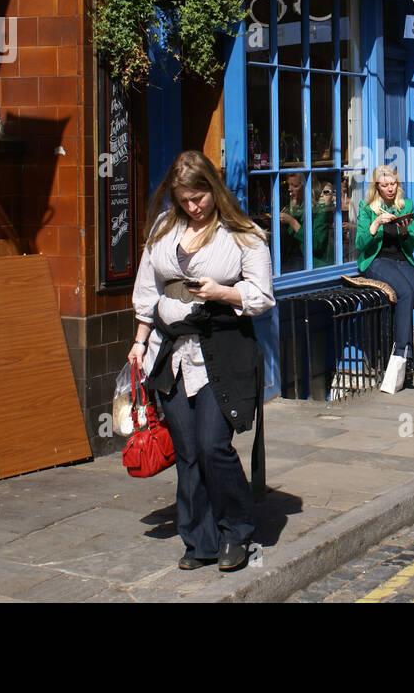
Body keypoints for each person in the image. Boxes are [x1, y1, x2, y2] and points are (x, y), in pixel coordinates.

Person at [129, 150, 274, 573]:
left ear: (214, 188)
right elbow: (147, 287)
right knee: (188, 450)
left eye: (200, 197)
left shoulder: (243, 233)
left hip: (220, 352)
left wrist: (223, 293)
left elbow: (263, 296)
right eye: (185, 199)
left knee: (213, 445)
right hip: (170, 352)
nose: (193, 207)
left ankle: (237, 532)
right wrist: (139, 342)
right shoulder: (163, 227)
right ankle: (199, 540)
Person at [356, 165, 414, 388]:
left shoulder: (406, 206)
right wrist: (376, 224)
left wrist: (404, 232)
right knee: (403, 293)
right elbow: (361, 245)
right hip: (377, 261)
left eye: (393, 184)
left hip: (402, 261)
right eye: (385, 185)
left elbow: (411, 246)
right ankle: (404, 359)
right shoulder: (367, 209)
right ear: (377, 187)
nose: (390, 189)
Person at [279, 172, 333, 271]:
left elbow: (316, 245)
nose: (289, 189)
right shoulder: (295, 206)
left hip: (315, 265)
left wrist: (292, 222)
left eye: (294, 186)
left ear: (307, 187)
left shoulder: (320, 210)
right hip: (294, 259)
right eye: (288, 185)